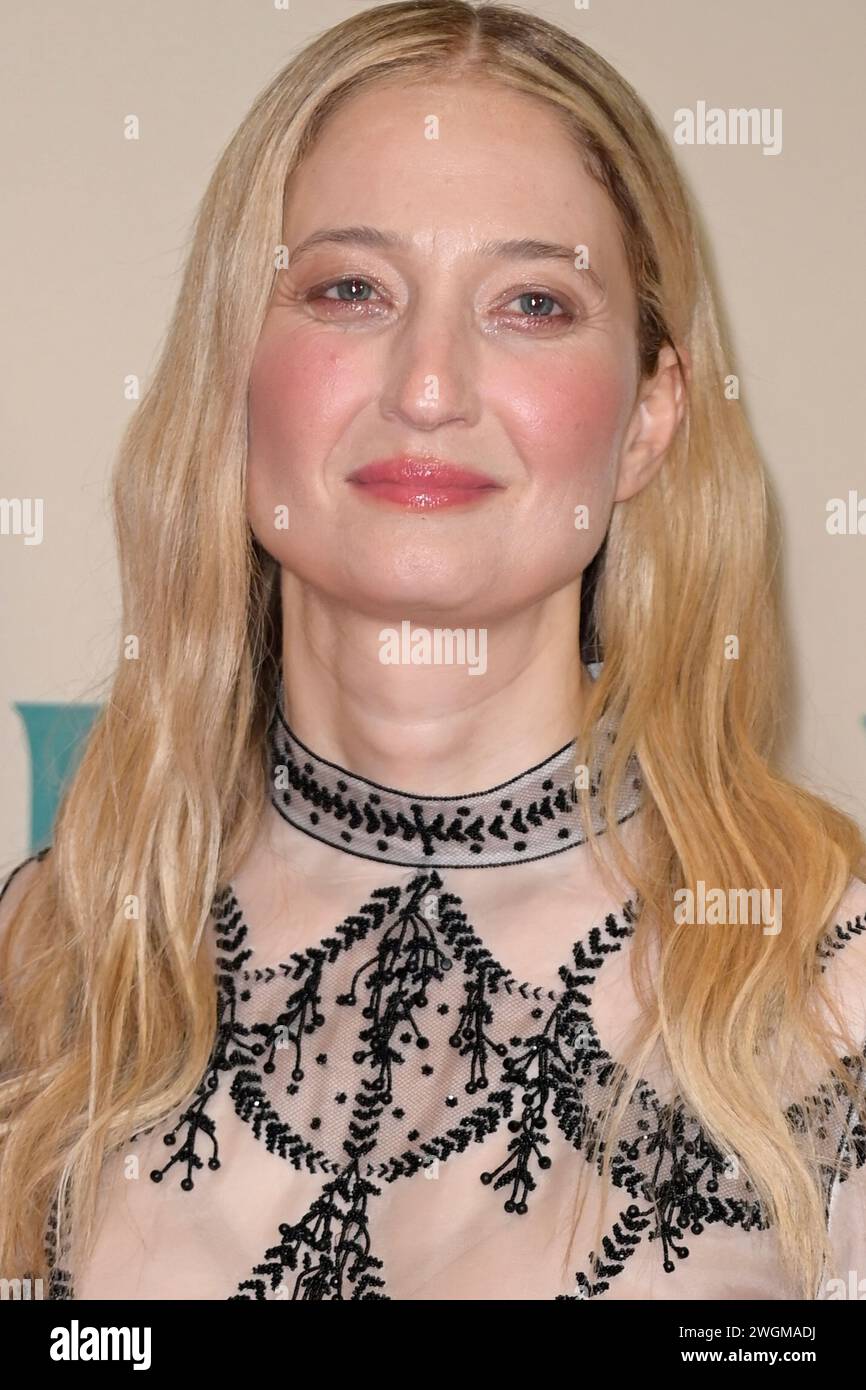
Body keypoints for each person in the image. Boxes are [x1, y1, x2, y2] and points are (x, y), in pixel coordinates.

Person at [1, 0, 864, 1301]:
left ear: (648, 418)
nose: (426, 386)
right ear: (233, 367)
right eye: (350, 290)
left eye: (532, 303)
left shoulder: (829, 984)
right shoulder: (52, 954)